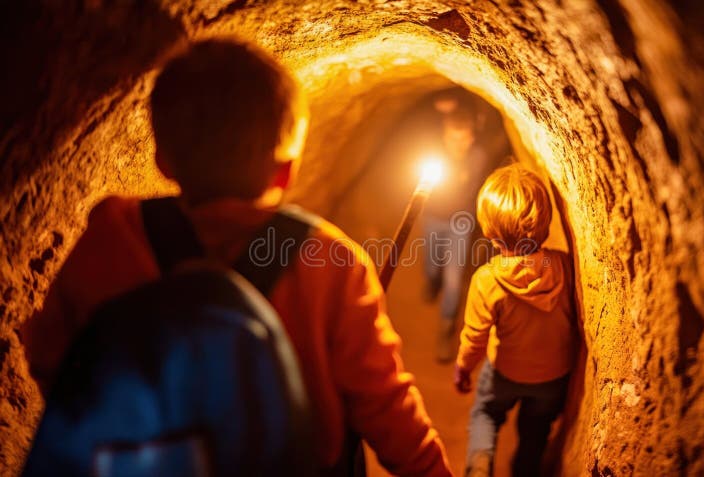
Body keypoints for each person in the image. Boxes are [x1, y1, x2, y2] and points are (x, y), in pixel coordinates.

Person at [21, 38, 453, 477]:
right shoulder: (332, 262)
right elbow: (383, 404)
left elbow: (50, 354)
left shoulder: (113, 234)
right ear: (286, 171)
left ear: (163, 160)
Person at [453, 164, 578, 477]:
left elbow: (475, 337)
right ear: (545, 224)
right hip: (553, 378)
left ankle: (479, 469)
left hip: (505, 372)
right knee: (536, 430)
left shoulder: (487, 280)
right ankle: (525, 470)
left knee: (485, 413)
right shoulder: (564, 266)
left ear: (492, 235)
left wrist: (464, 368)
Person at [423, 90, 491, 363]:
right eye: (454, 138)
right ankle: (431, 281)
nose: (459, 145)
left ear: (472, 136)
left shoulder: (478, 157)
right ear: (445, 136)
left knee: (454, 277)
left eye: (464, 138)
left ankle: (447, 326)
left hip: (461, 222)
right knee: (431, 262)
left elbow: (476, 190)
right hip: (433, 217)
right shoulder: (434, 155)